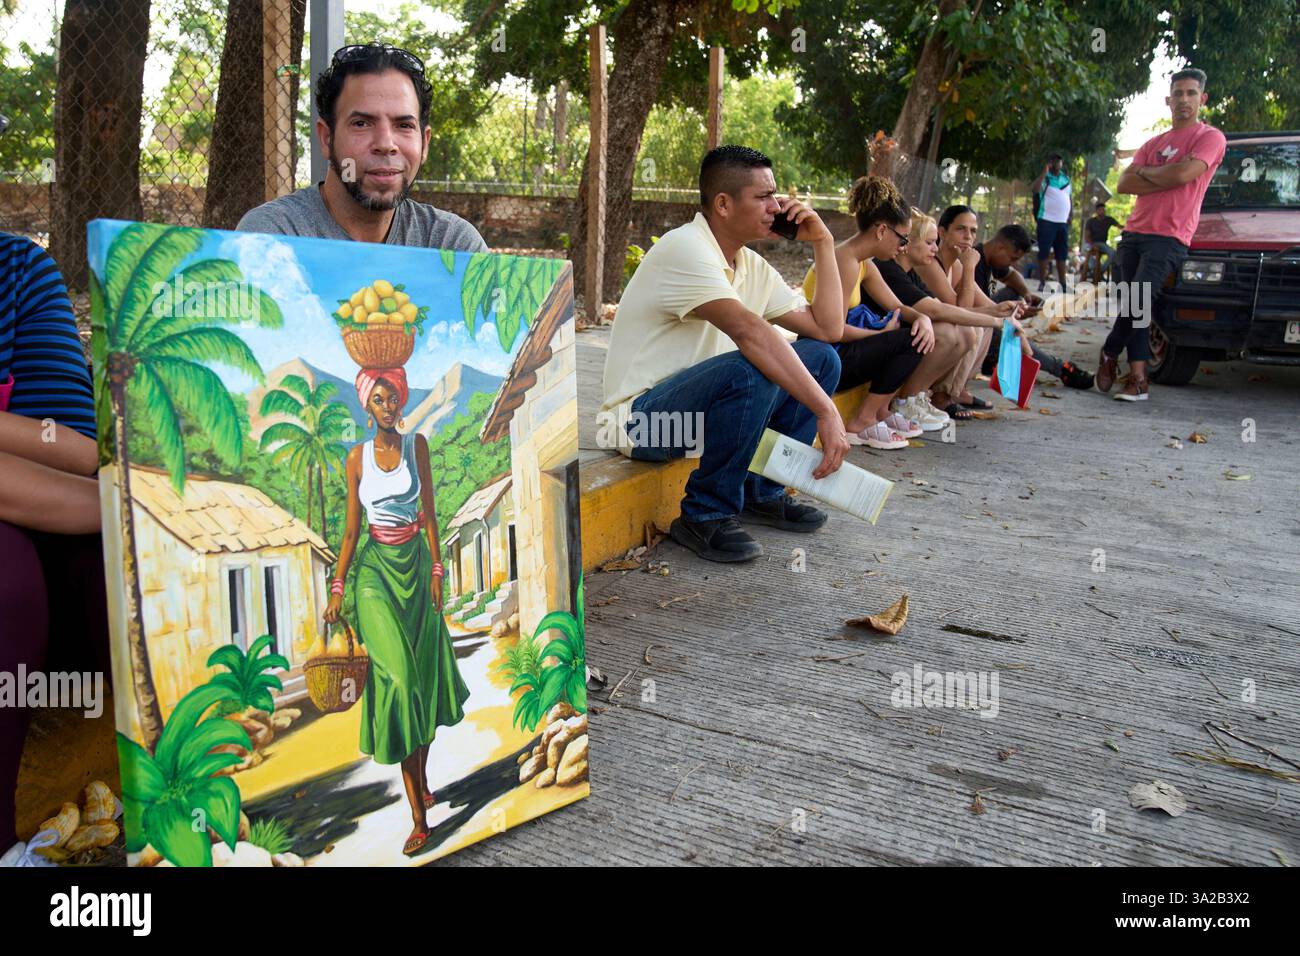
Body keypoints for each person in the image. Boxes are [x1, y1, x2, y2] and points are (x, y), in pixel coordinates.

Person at [601, 145, 851, 563]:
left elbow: (828, 328)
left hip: (702, 419)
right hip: (644, 424)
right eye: (763, 196)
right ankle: (703, 514)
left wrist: (823, 243)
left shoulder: (749, 265)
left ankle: (760, 491)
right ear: (723, 204)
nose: (778, 207)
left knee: (822, 356)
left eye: (776, 196)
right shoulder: (684, 248)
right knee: (751, 368)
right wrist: (826, 410)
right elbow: (749, 331)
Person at [323, 368, 469, 857]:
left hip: (417, 568)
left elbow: (429, 509)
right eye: (378, 400)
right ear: (367, 407)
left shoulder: (417, 447)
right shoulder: (356, 459)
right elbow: (349, 532)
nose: (387, 407)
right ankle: (418, 817)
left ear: (400, 404)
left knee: (422, 681)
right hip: (375, 577)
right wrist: (338, 586)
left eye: (393, 399)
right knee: (401, 682)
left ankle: (423, 779)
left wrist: (437, 570)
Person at [0, 232, 105, 858]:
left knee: (126, 571)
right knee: (5, 582)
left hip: (55, 516)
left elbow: (77, 448)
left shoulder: (17, 269)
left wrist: (130, 516)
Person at [238, 43, 486, 252]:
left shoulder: (450, 245)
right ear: (326, 138)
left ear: (425, 143)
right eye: (361, 123)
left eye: (404, 125)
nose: (386, 144)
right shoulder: (272, 237)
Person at [1105, 68, 1226, 401]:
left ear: (1202, 99)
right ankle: (1138, 378)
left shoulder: (1210, 138)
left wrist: (1147, 171)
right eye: (1178, 93)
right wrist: (1166, 173)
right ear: (1167, 100)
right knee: (1136, 305)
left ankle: (1110, 352)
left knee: (1139, 300)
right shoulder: (1152, 143)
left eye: (1191, 93)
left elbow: (1187, 173)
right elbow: (1124, 183)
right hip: (1133, 233)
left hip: (1170, 235)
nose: (1183, 100)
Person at [800, 177, 933, 450]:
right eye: (903, 238)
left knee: (915, 333)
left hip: (840, 350)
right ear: (882, 230)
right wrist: (878, 333)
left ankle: (880, 411)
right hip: (826, 356)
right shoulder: (845, 260)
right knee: (908, 341)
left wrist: (922, 318)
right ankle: (862, 421)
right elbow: (832, 329)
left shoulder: (864, 263)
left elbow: (897, 307)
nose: (904, 246)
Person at [864, 213, 1029, 423]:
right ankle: (907, 401)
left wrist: (996, 312)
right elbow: (940, 310)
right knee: (949, 331)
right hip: (876, 343)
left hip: (890, 342)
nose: (934, 248)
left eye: (973, 230)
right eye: (930, 242)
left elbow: (947, 309)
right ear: (907, 242)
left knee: (964, 330)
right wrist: (995, 319)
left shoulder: (910, 270)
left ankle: (918, 397)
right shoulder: (892, 267)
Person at [930, 209, 1094, 390]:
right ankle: (1058, 368)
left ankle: (991, 361)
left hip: (967, 316)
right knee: (985, 327)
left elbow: (1004, 287)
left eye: (973, 231)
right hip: (948, 326)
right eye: (961, 229)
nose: (968, 237)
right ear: (942, 232)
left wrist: (1024, 298)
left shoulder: (969, 261)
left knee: (1008, 304)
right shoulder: (964, 262)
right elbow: (961, 310)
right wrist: (969, 269)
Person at [1031, 152, 1072, 291]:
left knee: (1062, 253)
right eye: (1054, 160)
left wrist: (1070, 215)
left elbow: (1068, 197)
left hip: (1062, 222)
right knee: (1044, 252)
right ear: (1049, 163)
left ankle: (1063, 284)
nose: (1057, 163)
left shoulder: (1065, 179)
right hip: (1046, 220)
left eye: (1060, 160)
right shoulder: (1045, 178)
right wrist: (1044, 172)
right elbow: (1035, 189)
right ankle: (1042, 282)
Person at [1083, 202, 1123, 275]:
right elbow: (1087, 236)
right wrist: (1092, 244)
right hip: (1091, 243)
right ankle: (1093, 269)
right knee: (1085, 250)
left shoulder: (1108, 219)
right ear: (1096, 211)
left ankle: (1101, 270)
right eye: (1100, 210)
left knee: (1113, 253)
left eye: (1103, 210)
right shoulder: (1091, 221)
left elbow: (1119, 226)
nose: (1102, 211)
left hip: (1103, 243)